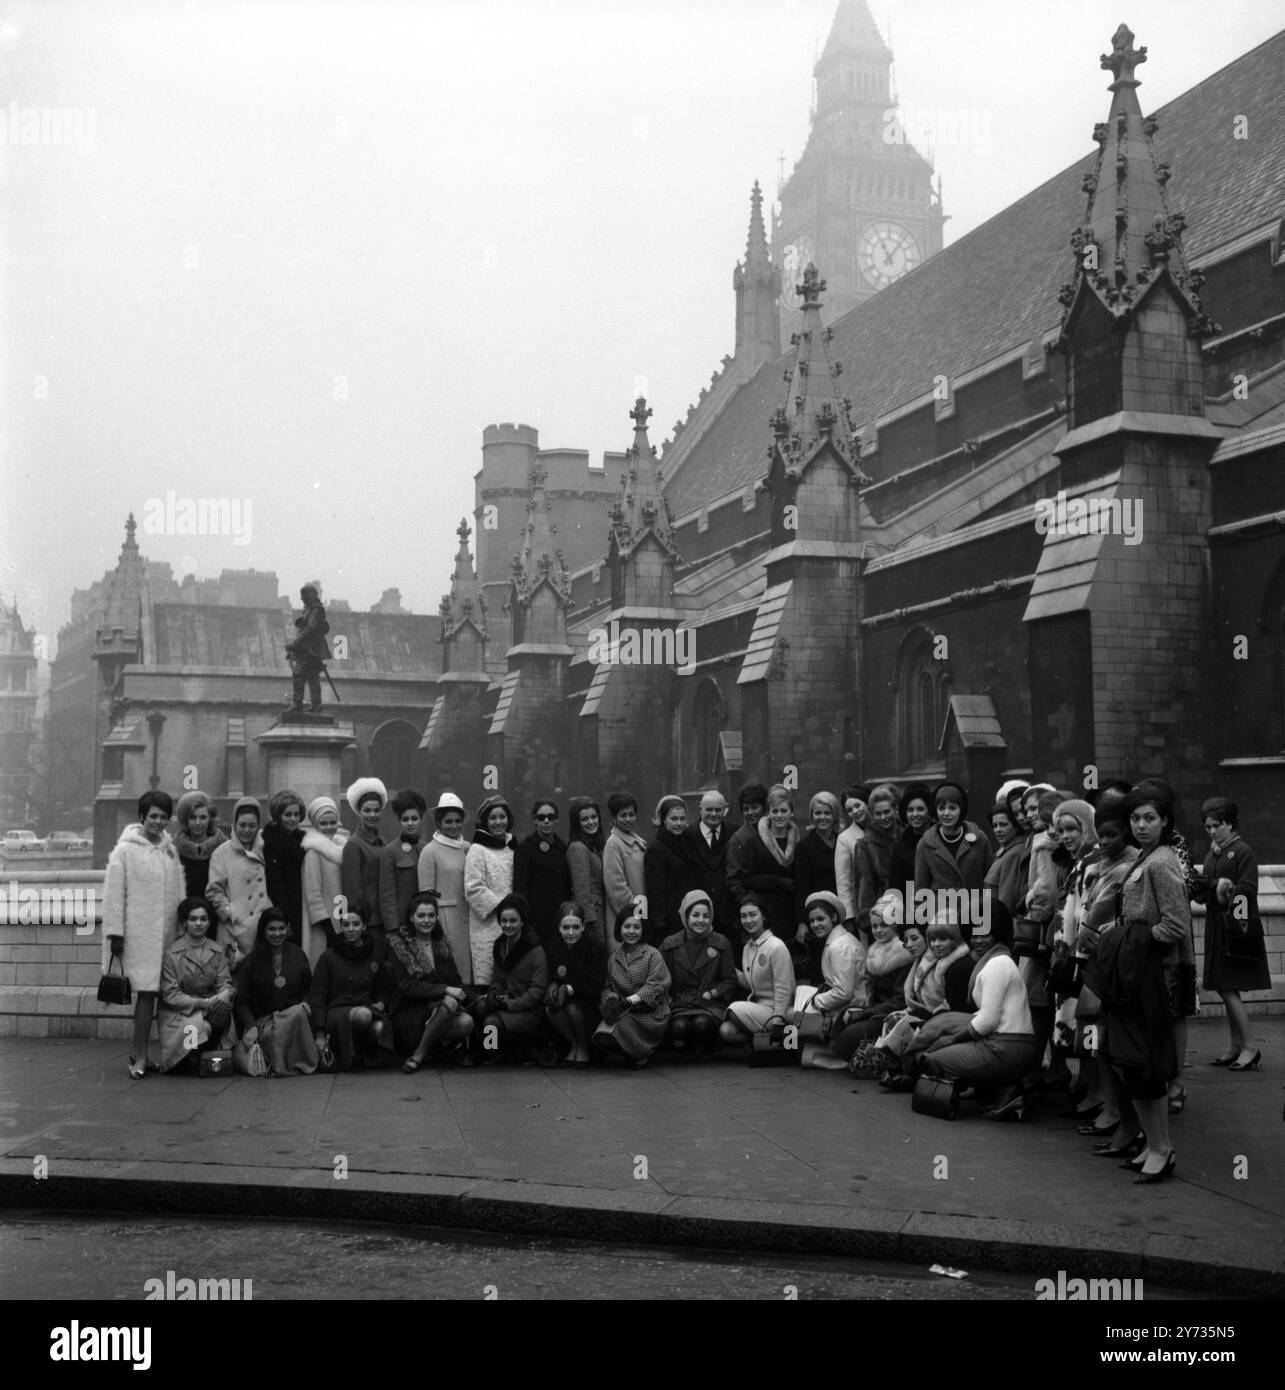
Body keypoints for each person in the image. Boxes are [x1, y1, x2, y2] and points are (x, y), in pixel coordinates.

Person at [1087, 786, 1186, 1181]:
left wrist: (1131, 937)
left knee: (1145, 1066)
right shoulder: (1147, 857)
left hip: (1149, 978)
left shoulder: (1162, 862)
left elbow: (1174, 925)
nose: (1141, 825)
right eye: (1135, 819)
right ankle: (1153, 1143)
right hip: (1133, 975)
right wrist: (1123, 926)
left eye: (1149, 818)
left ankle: (1163, 1147)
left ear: (1165, 821)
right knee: (1132, 1063)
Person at [915, 903, 1040, 1112]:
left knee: (934, 1058)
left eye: (985, 935)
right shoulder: (1001, 960)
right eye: (973, 935)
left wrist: (952, 1038)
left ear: (998, 934)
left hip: (1004, 1049)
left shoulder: (996, 964)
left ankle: (1003, 1091)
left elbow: (988, 1020)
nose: (978, 940)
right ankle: (1000, 1092)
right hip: (1016, 1048)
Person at [101, 791, 185, 1079]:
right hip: (137, 935)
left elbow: (179, 892)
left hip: (167, 936)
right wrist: (115, 932)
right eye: (153, 816)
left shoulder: (169, 850)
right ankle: (139, 1054)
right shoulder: (125, 851)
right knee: (147, 995)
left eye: (163, 817)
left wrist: (182, 928)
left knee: (162, 996)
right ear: (142, 817)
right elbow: (114, 895)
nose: (158, 822)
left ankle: (155, 1054)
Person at [1196, 797, 1267, 1071]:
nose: (1212, 831)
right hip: (1218, 928)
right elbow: (1207, 891)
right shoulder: (1212, 854)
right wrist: (1207, 889)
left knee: (1227, 988)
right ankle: (1236, 1045)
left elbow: (1248, 891)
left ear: (1230, 824)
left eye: (1217, 825)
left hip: (1234, 930)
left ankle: (1249, 1046)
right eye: (1208, 826)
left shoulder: (1242, 851)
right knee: (1226, 988)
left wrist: (1225, 894)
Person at [386, 891, 473, 1072]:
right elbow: (407, 986)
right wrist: (445, 990)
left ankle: (430, 1049)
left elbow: (455, 981)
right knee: (450, 1000)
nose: (427, 920)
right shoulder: (400, 946)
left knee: (467, 1023)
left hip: (438, 1009)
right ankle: (419, 1054)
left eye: (431, 915)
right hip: (408, 1010)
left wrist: (476, 997)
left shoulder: (441, 944)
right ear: (411, 918)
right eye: (421, 915)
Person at [232, 906, 318, 1076]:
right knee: (287, 1022)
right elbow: (241, 1001)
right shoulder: (251, 961)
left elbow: (308, 988)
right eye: (271, 929)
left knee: (298, 1012)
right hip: (265, 1024)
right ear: (263, 931)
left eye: (281, 928)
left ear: (288, 929)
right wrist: (251, 1027)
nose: (277, 933)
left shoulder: (298, 954)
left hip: (295, 1019)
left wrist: (306, 1003)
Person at [158, 896, 235, 1073]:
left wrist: (224, 993)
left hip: (211, 1007)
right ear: (184, 923)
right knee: (199, 1028)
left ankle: (206, 1056)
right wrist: (204, 1003)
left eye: (203, 919)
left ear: (209, 923)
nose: (198, 923)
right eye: (193, 919)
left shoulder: (217, 950)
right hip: (179, 1012)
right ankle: (187, 1059)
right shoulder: (172, 954)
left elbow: (225, 982)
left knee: (222, 1012)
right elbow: (171, 995)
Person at [309, 910, 393, 1070]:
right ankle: (344, 1052)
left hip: (367, 1007)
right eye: (346, 925)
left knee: (380, 1027)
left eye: (356, 924)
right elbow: (317, 997)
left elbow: (383, 988)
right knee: (363, 1016)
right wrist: (319, 1032)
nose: (351, 929)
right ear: (341, 927)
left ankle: (362, 1054)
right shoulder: (329, 957)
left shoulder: (374, 955)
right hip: (337, 1011)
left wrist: (382, 1002)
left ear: (364, 926)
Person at [469, 893, 548, 1063]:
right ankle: (485, 1051)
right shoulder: (500, 945)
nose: (508, 925)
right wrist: (493, 992)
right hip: (505, 1002)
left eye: (513, 921)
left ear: (522, 921)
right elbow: (497, 978)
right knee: (481, 1006)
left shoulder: (536, 950)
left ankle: (493, 1054)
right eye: (504, 921)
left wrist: (511, 1004)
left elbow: (537, 991)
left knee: (491, 1022)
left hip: (528, 1010)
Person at [660, 888, 736, 1060]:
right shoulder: (670, 944)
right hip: (680, 1005)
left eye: (706, 916)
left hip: (710, 1006)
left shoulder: (721, 943)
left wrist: (713, 992)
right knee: (679, 1027)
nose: (701, 920)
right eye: (695, 915)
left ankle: (707, 1045)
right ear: (686, 917)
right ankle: (687, 1046)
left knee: (702, 1024)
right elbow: (657, 976)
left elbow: (729, 980)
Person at [794, 889, 865, 1068]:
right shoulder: (836, 941)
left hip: (852, 1007)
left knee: (794, 1016)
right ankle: (799, 1046)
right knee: (800, 995)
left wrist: (817, 1001)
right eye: (812, 921)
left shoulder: (840, 946)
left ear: (833, 918)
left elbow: (843, 993)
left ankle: (801, 1047)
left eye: (820, 919)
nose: (815, 924)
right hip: (843, 1002)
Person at [594, 910, 672, 1066]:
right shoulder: (614, 957)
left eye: (636, 927)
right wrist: (610, 998)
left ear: (643, 929)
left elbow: (658, 984)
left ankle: (644, 1052)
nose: (631, 931)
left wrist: (629, 1001)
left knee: (618, 1029)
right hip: (625, 1012)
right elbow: (608, 986)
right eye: (626, 926)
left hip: (651, 1013)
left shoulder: (652, 954)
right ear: (619, 929)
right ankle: (635, 1052)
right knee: (602, 1036)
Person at [720, 893, 795, 1046]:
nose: (748, 920)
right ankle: (763, 1042)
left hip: (778, 1011)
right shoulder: (748, 947)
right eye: (744, 916)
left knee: (734, 1009)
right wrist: (724, 965)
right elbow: (749, 984)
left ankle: (779, 1036)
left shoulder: (776, 946)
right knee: (726, 1031)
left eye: (753, 915)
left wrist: (778, 1021)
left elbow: (784, 988)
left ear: (764, 916)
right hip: (759, 1009)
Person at [729, 783, 797, 950]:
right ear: (769, 812)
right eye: (775, 811)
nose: (779, 815)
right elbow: (743, 878)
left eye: (783, 811)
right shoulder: (747, 840)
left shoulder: (796, 840)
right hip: (764, 911)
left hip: (789, 913)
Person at [206, 795, 270, 968]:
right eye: (242, 825)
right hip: (232, 930)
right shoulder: (222, 853)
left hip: (262, 929)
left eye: (252, 826)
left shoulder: (266, 850)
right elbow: (214, 891)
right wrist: (231, 913)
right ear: (234, 824)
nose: (246, 830)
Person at [544, 899, 608, 1067]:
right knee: (551, 1008)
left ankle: (584, 1047)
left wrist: (569, 988)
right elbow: (550, 976)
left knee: (573, 1009)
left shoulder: (596, 948)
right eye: (566, 928)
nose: (571, 933)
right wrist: (552, 985)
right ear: (559, 927)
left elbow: (595, 987)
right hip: (564, 1003)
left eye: (576, 927)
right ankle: (575, 1044)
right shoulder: (552, 948)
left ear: (583, 927)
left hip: (588, 1004)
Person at [417, 792, 472, 983]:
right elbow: (425, 894)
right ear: (439, 823)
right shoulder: (429, 851)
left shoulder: (468, 847)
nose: (454, 826)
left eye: (458, 821)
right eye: (449, 822)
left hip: (470, 917)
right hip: (445, 919)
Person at [463, 794, 516, 986]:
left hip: (512, 922)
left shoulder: (512, 847)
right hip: (487, 924)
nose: (498, 822)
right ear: (485, 821)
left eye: (502, 817)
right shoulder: (477, 849)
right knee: (487, 974)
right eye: (493, 818)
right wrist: (504, 908)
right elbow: (473, 888)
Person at [793, 791, 842, 981]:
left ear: (835, 815)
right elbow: (801, 884)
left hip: (839, 910)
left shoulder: (842, 841)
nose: (822, 818)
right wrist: (802, 922)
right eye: (818, 813)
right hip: (817, 914)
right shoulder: (804, 846)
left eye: (827, 813)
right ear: (812, 816)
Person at [914, 782, 994, 895]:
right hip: (940, 910)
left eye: (952, 808)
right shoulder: (925, 844)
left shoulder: (979, 839)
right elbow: (920, 889)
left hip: (976, 909)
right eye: (941, 808)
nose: (946, 813)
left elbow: (990, 881)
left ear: (961, 810)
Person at [513, 798, 573, 946]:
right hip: (536, 921)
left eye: (550, 817)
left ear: (557, 820)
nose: (546, 821)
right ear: (535, 820)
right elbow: (520, 889)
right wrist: (525, 923)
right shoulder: (525, 848)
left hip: (560, 918)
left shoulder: (562, 847)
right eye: (541, 817)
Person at [341, 778, 388, 950]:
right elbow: (352, 890)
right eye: (367, 810)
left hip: (385, 919)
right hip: (369, 922)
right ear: (358, 812)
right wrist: (359, 923)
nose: (372, 815)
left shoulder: (382, 841)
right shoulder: (354, 845)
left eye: (376, 810)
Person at [301, 795, 348, 964]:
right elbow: (313, 895)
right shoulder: (313, 852)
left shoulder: (342, 848)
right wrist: (330, 928)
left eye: (333, 822)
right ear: (315, 825)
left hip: (341, 919)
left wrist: (342, 920)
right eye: (324, 823)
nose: (329, 827)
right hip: (323, 925)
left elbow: (340, 891)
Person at [378, 788, 428, 944]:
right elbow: (387, 895)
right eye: (405, 819)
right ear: (400, 821)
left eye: (414, 818)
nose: (410, 823)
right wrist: (394, 929)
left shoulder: (427, 849)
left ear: (421, 819)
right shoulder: (390, 851)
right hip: (402, 926)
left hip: (426, 923)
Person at [724, 781, 768, 957]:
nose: (750, 813)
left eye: (755, 807)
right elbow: (732, 879)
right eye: (746, 808)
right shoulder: (739, 840)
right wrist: (749, 905)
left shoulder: (772, 832)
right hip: (752, 911)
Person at [644, 794, 694, 946]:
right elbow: (655, 889)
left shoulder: (685, 841)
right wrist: (660, 924)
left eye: (682, 819)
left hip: (686, 914)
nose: (679, 823)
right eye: (674, 819)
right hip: (669, 922)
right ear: (663, 819)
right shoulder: (656, 848)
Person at [261, 789, 307, 946]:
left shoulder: (302, 840)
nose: (293, 819)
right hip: (282, 911)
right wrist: (286, 917)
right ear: (278, 816)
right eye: (288, 815)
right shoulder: (270, 842)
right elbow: (275, 883)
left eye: (296, 814)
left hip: (301, 906)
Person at [684, 790, 732, 935]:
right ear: (700, 810)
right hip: (697, 915)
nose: (713, 814)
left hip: (727, 914)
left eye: (718, 810)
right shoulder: (686, 835)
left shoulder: (734, 832)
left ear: (725, 810)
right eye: (709, 809)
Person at [602, 791, 647, 941]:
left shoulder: (637, 841)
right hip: (626, 921)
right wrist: (637, 916)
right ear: (613, 818)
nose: (628, 819)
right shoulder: (614, 844)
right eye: (623, 815)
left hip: (639, 915)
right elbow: (617, 888)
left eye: (631, 814)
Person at [565, 797, 607, 952]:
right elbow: (582, 893)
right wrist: (590, 927)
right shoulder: (578, 848)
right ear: (577, 823)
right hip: (593, 918)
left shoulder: (594, 845)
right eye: (584, 819)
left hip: (601, 911)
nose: (591, 822)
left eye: (594, 817)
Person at [172, 790, 228, 903]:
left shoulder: (224, 848)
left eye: (203, 817)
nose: (198, 823)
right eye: (192, 817)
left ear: (210, 819)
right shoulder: (173, 850)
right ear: (185, 820)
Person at [855, 783, 900, 922]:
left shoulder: (906, 836)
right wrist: (868, 917)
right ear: (872, 814)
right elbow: (866, 884)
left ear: (895, 809)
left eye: (887, 812)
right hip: (883, 911)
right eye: (878, 813)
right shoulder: (866, 845)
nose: (883, 817)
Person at [285, 583, 331, 713]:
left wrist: (295, 644)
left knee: (299, 674)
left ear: (310, 596)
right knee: (312, 676)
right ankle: (316, 704)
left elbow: (310, 628)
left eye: (304, 597)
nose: (302, 599)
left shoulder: (316, 610)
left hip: (310, 649)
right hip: (306, 649)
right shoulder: (309, 610)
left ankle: (297, 704)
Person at [889, 782, 933, 901]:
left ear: (929, 813)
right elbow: (896, 888)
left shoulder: (939, 840)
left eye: (920, 809)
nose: (915, 814)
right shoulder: (900, 848)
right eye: (910, 810)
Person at [983, 799, 1027, 917]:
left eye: (1003, 824)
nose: (998, 830)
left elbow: (1006, 901)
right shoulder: (1005, 851)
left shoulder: (1014, 854)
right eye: (995, 825)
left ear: (1017, 826)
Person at [834, 784, 870, 927]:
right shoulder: (845, 838)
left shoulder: (882, 830)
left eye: (857, 805)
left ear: (867, 803)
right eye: (849, 810)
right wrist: (849, 917)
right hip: (861, 906)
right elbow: (843, 881)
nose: (855, 811)